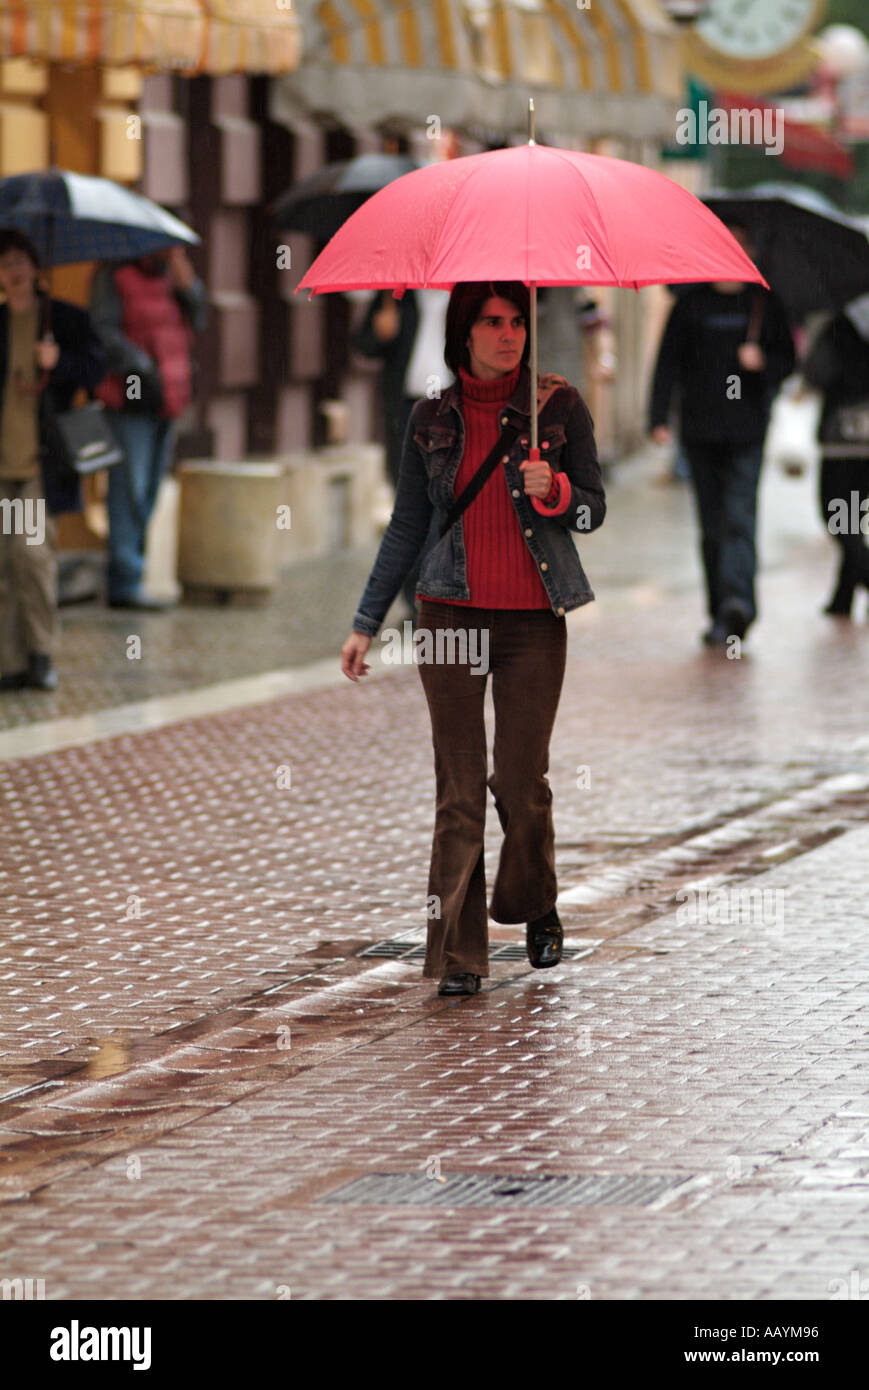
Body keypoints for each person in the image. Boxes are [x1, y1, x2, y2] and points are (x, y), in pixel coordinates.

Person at [341, 281, 606, 997]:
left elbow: (592, 512)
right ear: (463, 333)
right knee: (457, 790)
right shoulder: (429, 418)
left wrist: (555, 494)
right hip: (449, 615)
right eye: (492, 322)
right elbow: (405, 525)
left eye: (517, 321)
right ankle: (459, 956)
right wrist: (366, 621)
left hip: (531, 620)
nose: (508, 335)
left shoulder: (557, 409)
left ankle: (534, 901)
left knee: (521, 781)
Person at [649, 226, 794, 646]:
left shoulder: (764, 304)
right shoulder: (691, 304)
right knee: (711, 525)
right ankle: (719, 611)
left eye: (743, 245)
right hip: (699, 430)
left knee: (739, 518)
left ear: (752, 251)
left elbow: (788, 362)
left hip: (747, 431)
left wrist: (763, 363)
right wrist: (658, 418)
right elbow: (668, 364)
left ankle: (739, 605)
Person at [0, 230, 106, 692]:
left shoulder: (61, 319)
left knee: (31, 554)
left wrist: (59, 361)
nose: (14, 270)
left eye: (21, 259)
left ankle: (41, 652)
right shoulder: (1, 322)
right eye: (5, 263)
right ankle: (10, 660)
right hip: (4, 466)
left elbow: (98, 370)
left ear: (35, 266)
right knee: (5, 561)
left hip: (41, 466)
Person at [89, 247, 207, 610]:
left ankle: (134, 573)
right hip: (132, 397)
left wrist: (189, 285)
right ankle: (125, 580)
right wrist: (141, 368)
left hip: (168, 398)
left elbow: (198, 322)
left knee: (151, 488)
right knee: (129, 487)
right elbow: (104, 331)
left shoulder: (172, 276)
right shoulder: (113, 275)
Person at [351, 287, 453, 616]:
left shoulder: (468, 295)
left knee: (444, 500)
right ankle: (416, 599)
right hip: (407, 411)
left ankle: (438, 593)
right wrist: (380, 334)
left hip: (453, 409)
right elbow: (363, 344)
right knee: (410, 505)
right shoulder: (394, 294)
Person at [800, 294, 869, 618]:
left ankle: (860, 581)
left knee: (837, 516)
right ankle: (843, 597)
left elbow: (817, 374)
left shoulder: (840, 327)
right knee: (853, 518)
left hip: (843, 439)